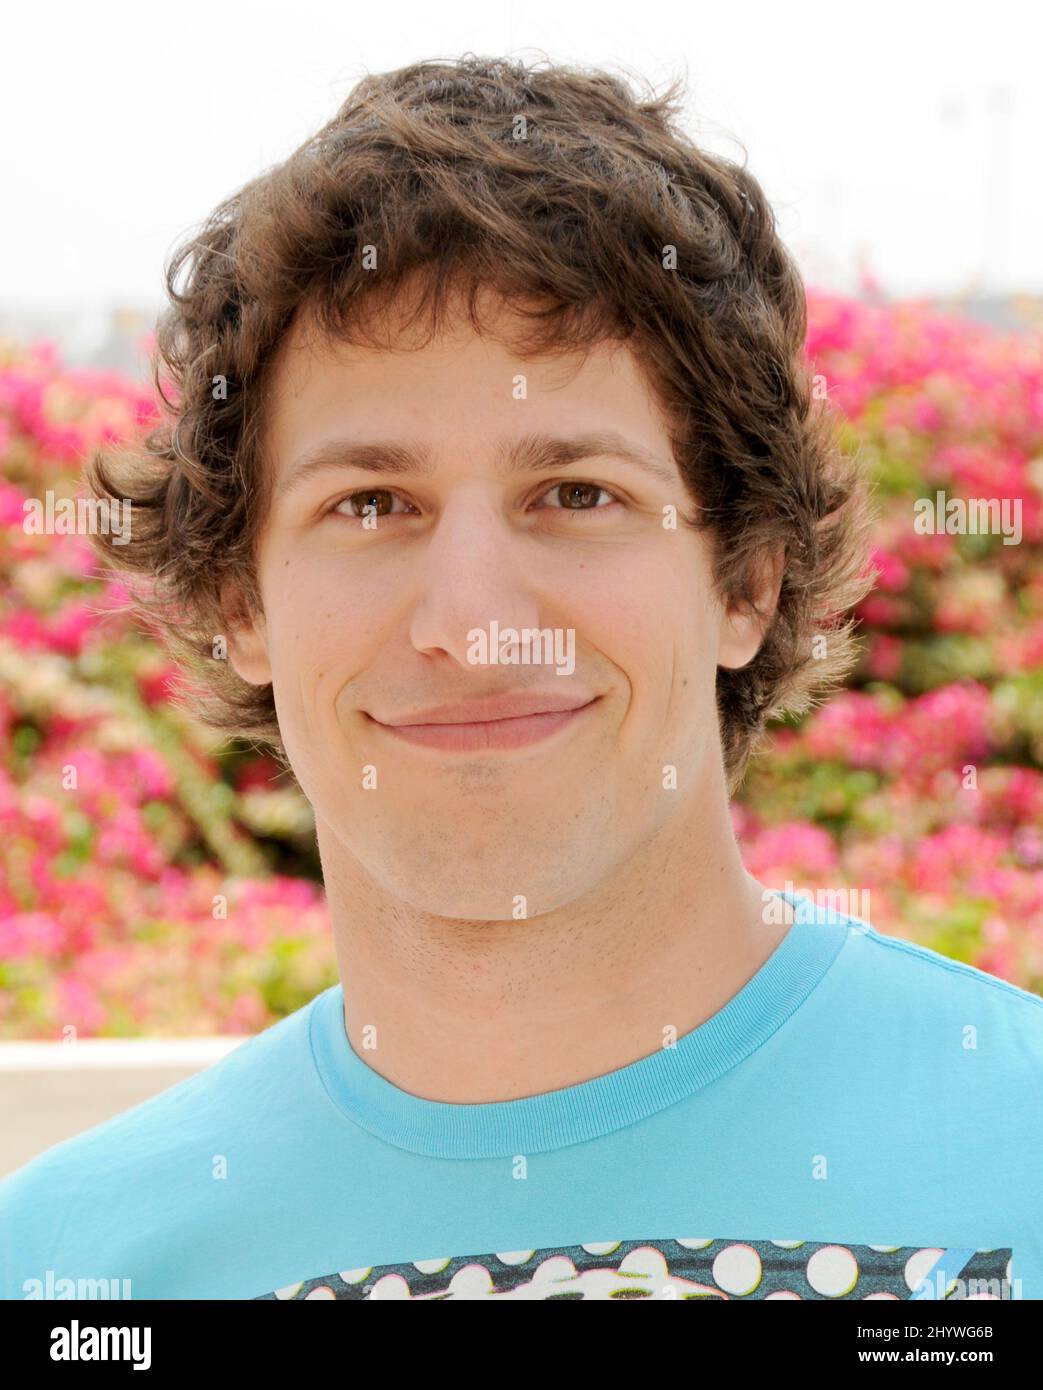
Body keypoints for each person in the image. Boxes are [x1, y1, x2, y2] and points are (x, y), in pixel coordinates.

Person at [2, 54, 1040, 1303]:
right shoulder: (70, 1274)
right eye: (370, 502)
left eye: (575, 494)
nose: (473, 623)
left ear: (745, 579)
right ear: (241, 601)